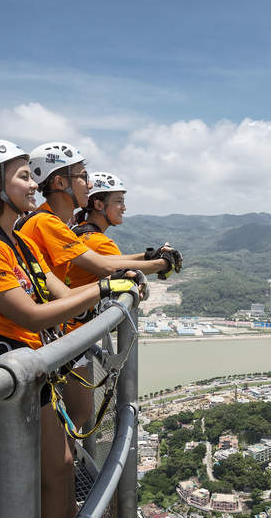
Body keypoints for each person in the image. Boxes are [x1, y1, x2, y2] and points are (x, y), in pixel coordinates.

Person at [0, 139, 138, 518]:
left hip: (30, 375)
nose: (33, 184)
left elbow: (60, 294)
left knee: (61, 469)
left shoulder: (15, 242)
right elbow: (32, 316)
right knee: (0, 497)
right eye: (22, 176)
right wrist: (104, 289)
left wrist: (107, 285)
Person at [17, 144, 179, 436]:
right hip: (56, 331)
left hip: (53, 329)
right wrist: (158, 263)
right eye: (82, 176)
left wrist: (150, 258)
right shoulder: (48, 223)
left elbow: (102, 263)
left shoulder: (58, 223)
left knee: (69, 414)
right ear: (61, 182)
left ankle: (58, 456)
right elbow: (104, 265)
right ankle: (58, 459)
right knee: (74, 413)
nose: (89, 184)